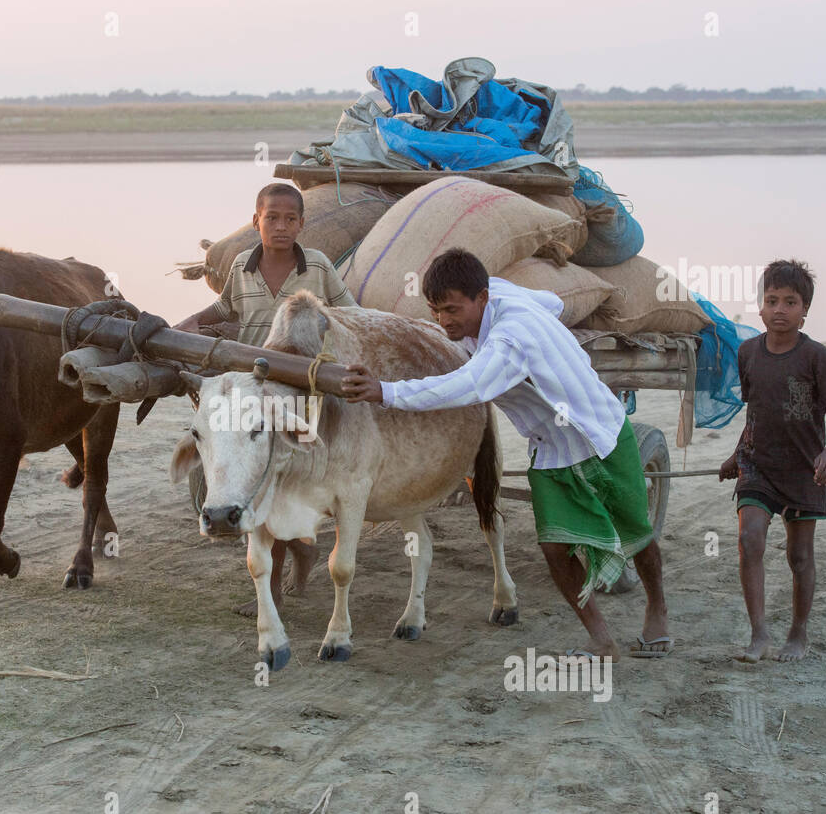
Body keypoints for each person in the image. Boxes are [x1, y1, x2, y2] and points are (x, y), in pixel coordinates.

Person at [341, 248, 671, 661]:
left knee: (637, 534)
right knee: (554, 548)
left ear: (481, 298)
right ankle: (602, 640)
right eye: (435, 310)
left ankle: (657, 609)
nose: (443, 321)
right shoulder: (499, 292)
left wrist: (386, 391)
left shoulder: (510, 338)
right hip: (550, 449)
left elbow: (468, 385)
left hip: (599, 433)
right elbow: (551, 302)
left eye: (452, 310)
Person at [175, 183, 357, 613]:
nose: (280, 226)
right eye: (271, 218)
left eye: (290, 219)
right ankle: (298, 554)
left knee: (281, 485)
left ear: (302, 224)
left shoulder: (318, 265)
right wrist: (187, 325)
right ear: (255, 221)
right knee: (260, 485)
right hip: (250, 394)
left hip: (300, 390)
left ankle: (275, 585)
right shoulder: (242, 265)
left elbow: (349, 312)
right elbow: (223, 311)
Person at [718, 260, 826, 662]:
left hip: (804, 470)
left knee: (799, 556)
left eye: (790, 302)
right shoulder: (748, 352)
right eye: (772, 300)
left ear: (804, 309)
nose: (780, 309)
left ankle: (798, 633)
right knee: (749, 540)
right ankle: (759, 635)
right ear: (760, 307)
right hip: (757, 466)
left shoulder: (815, 356)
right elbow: (756, 412)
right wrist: (736, 455)